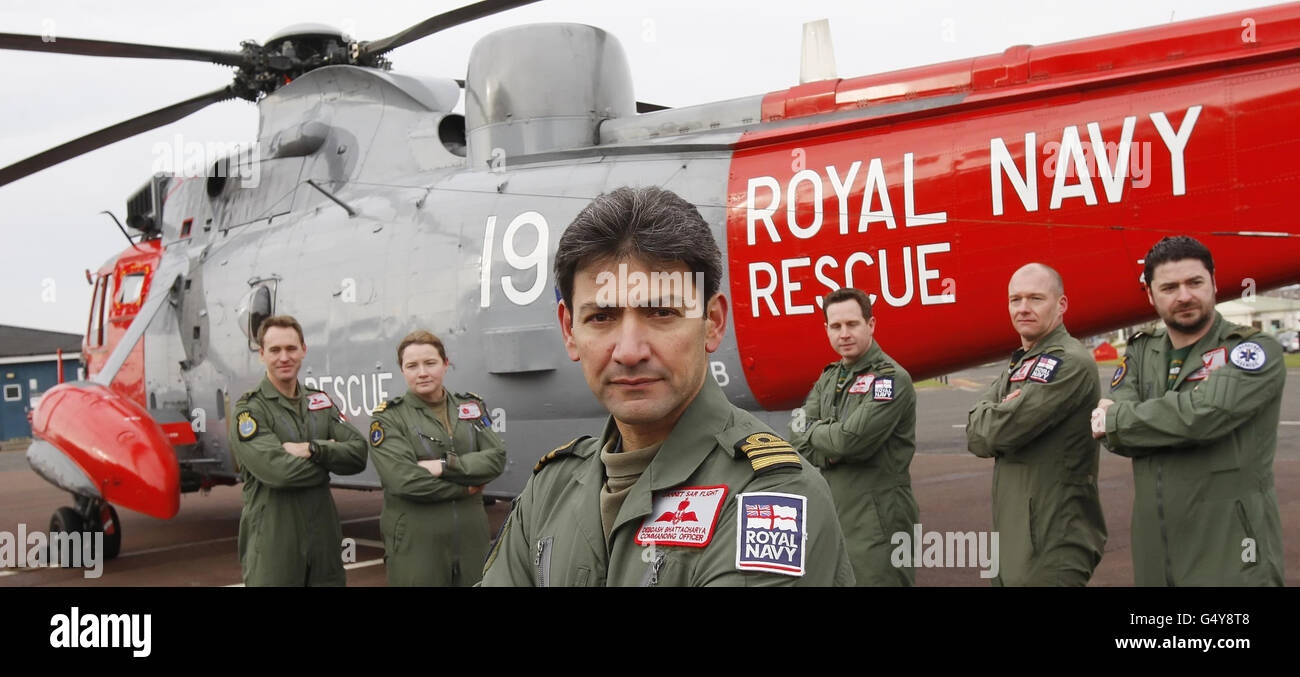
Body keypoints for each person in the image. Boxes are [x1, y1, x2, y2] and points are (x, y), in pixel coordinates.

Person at [480, 186, 855, 586]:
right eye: (601, 317)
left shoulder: (771, 494)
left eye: (661, 312)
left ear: (712, 322)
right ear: (570, 331)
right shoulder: (548, 490)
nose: (628, 351)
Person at [1094, 236, 1285, 586]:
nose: (1184, 296)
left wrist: (1118, 420)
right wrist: (1128, 425)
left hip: (1233, 559)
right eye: (1169, 287)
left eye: (1194, 282)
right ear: (1151, 296)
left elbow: (1203, 416)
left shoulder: (1253, 350)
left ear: (1213, 283)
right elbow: (1115, 440)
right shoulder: (1140, 352)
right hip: (1156, 556)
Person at [965, 263, 1107, 586]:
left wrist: (996, 414)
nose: (1023, 308)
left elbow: (995, 432)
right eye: (1016, 300)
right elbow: (974, 432)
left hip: (1051, 542)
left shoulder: (1069, 362)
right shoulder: (1023, 360)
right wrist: (994, 415)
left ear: (1061, 305)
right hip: (1016, 540)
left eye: (1035, 299)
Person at [789, 287, 919, 586]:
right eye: (836, 326)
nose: (844, 333)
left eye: (852, 324)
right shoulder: (830, 376)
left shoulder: (890, 379)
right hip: (836, 514)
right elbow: (795, 432)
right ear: (826, 329)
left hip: (879, 520)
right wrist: (829, 444)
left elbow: (850, 440)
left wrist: (819, 436)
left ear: (870, 325)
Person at [229, 315, 368, 586]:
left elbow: (358, 454)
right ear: (261, 355)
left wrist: (313, 449)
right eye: (275, 350)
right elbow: (279, 472)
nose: (284, 357)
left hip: (323, 544)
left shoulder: (320, 402)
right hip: (274, 544)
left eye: (291, 349)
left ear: (303, 350)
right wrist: (329, 460)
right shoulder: (249, 410)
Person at [368, 330, 506, 586]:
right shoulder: (388, 418)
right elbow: (403, 479)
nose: (422, 372)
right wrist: (466, 488)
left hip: (470, 542)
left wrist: (445, 465)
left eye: (430, 363)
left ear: (445, 363)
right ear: (402, 371)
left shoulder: (471, 407)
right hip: (417, 545)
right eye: (412, 365)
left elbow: (496, 458)